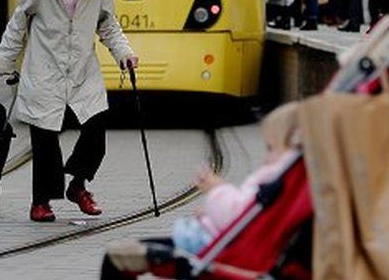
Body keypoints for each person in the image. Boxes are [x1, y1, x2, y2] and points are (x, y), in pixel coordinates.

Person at [0, 0, 138, 223]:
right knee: (45, 140)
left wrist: (124, 53)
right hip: (45, 71)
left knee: (96, 131)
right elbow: (17, 24)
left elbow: (108, 25)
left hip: (83, 71)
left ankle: (78, 185)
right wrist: (3, 63)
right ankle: (41, 202)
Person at [99, 103, 302, 279]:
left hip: (223, 253)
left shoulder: (280, 174)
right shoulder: (294, 178)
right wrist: (211, 213)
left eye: (271, 148)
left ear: (292, 147)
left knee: (116, 257)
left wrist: (217, 189)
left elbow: (236, 214)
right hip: (229, 244)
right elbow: (252, 215)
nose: (266, 157)